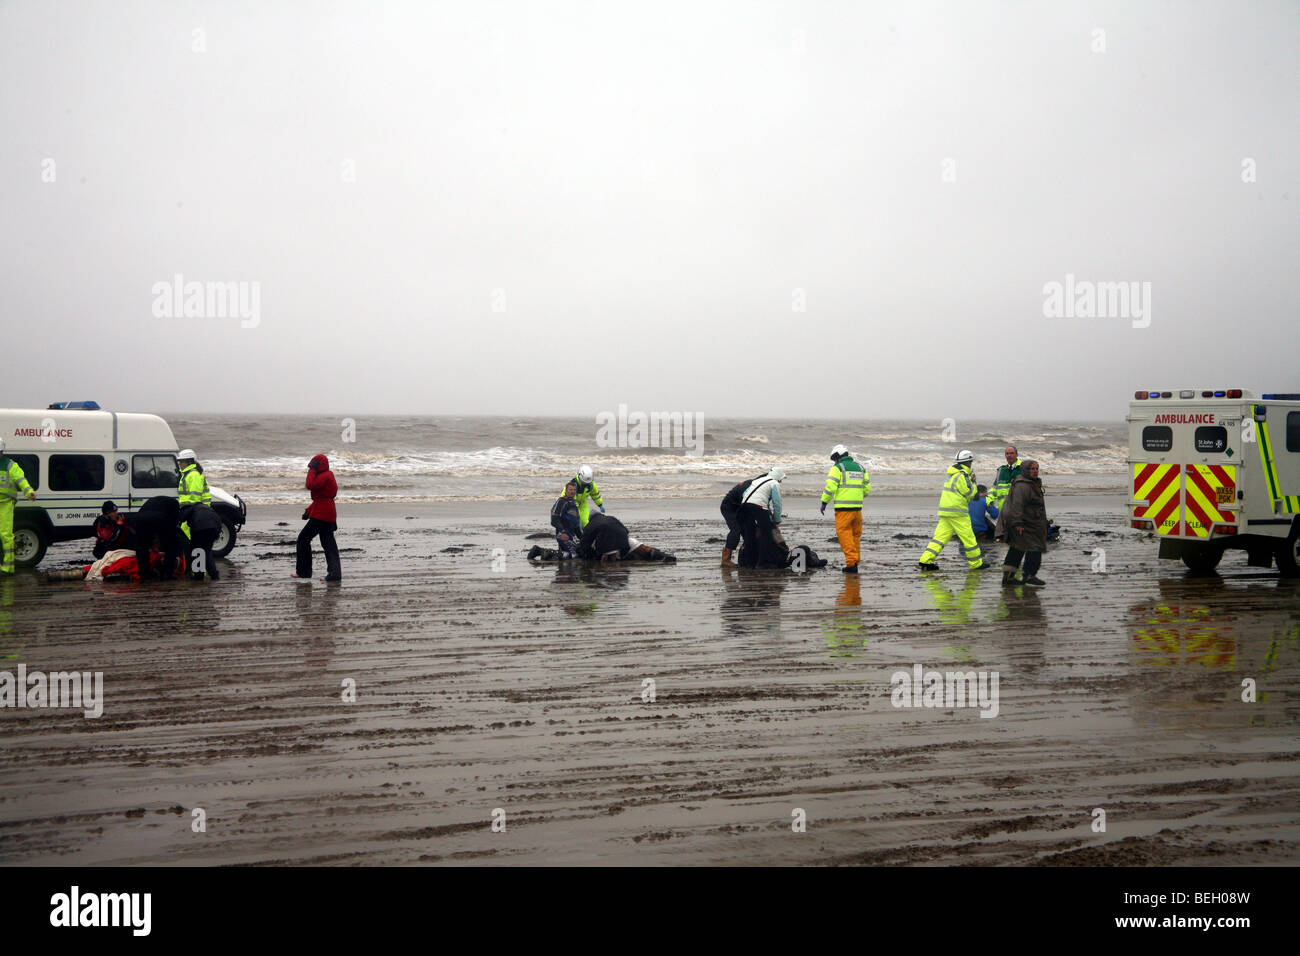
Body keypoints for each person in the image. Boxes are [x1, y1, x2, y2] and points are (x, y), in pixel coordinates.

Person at [917, 450, 987, 571]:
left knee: (940, 538)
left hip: (946, 511)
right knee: (968, 538)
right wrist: (974, 482)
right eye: (971, 461)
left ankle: (925, 560)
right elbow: (970, 493)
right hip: (958, 512)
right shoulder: (963, 476)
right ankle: (976, 563)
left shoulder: (952, 474)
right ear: (969, 462)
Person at [820, 444, 871, 574]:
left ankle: (851, 564)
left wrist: (824, 502)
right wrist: (857, 497)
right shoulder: (861, 468)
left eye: (834, 458)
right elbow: (867, 489)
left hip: (843, 510)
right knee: (855, 536)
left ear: (837, 456)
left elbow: (830, 488)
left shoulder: (837, 468)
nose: (834, 461)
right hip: (857, 509)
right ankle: (855, 561)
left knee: (844, 535)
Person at [996, 459, 1047, 587]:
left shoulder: (1031, 483)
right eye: (1032, 469)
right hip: (1022, 523)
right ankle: (1027, 576)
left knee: (1018, 548)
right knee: (1032, 547)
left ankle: (1011, 577)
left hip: (1031, 522)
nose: (1035, 471)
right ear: (1025, 470)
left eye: (1037, 469)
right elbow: (1017, 505)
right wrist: (1018, 523)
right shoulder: (1022, 485)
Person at [295, 454, 341, 582]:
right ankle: (334, 575)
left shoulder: (326, 475)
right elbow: (320, 498)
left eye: (314, 463)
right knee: (328, 544)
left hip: (322, 514)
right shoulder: (326, 475)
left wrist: (311, 470)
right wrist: (308, 512)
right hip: (326, 512)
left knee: (303, 539)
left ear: (319, 464)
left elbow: (310, 484)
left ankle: (304, 572)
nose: (312, 464)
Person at [736, 468, 786, 569]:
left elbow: (745, 493)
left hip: (743, 506)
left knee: (749, 534)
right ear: (778, 478)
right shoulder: (774, 484)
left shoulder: (757, 481)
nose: (781, 481)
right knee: (766, 534)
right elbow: (777, 504)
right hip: (758, 508)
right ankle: (764, 563)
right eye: (781, 479)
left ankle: (750, 563)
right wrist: (776, 521)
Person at [0, 439, 37, 574]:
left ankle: (8, 567)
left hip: (5, 504)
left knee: (5, 535)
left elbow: (21, 480)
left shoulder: (10, 465)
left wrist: (29, 492)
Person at [133, 495, 185, 581]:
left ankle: (144, 574)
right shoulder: (175, 504)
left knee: (142, 547)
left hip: (140, 519)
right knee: (171, 546)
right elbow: (174, 523)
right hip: (159, 518)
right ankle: (167, 574)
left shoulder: (153, 500)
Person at [720, 473, 765, 566]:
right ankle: (725, 559)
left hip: (741, 508)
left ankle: (749, 556)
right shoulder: (748, 486)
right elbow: (749, 506)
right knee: (736, 530)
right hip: (729, 508)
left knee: (750, 531)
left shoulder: (757, 487)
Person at [179, 502, 223, 580]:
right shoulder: (204, 507)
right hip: (215, 526)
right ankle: (213, 574)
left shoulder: (190, 508)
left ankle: (200, 576)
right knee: (206, 550)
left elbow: (181, 518)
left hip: (200, 527)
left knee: (196, 551)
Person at [550, 481, 583, 558]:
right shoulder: (561, 501)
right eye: (570, 490)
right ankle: (539, 551)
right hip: (562, 535)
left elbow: (576, 525)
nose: (572, 492)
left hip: (571, 536)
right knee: (574, 556)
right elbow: (554, 520)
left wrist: (583, 538)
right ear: (566, 490)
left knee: (581, 552)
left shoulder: (573, 503)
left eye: (574, 490)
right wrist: (563, 532)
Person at [568, 464, 604, 529]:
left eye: (587, 483)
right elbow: (567, 499)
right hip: (571, 505)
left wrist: (600, 504)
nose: (586, 484)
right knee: (575, 522)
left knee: (586, 522)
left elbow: (595, 495)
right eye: (584, 483)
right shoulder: (572, 485)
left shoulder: (591, 485)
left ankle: (585, 536)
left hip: (583, 503)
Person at [988, 445, 1022, 510]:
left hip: (1019, 511)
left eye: (1012, 453)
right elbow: (994, 489)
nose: (1009, 455)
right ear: (1005, 456)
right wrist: (989, 500)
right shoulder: (1001, 470)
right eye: (1007, 454)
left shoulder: (1023, 468)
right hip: (1003, 511)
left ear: (1017, 455)